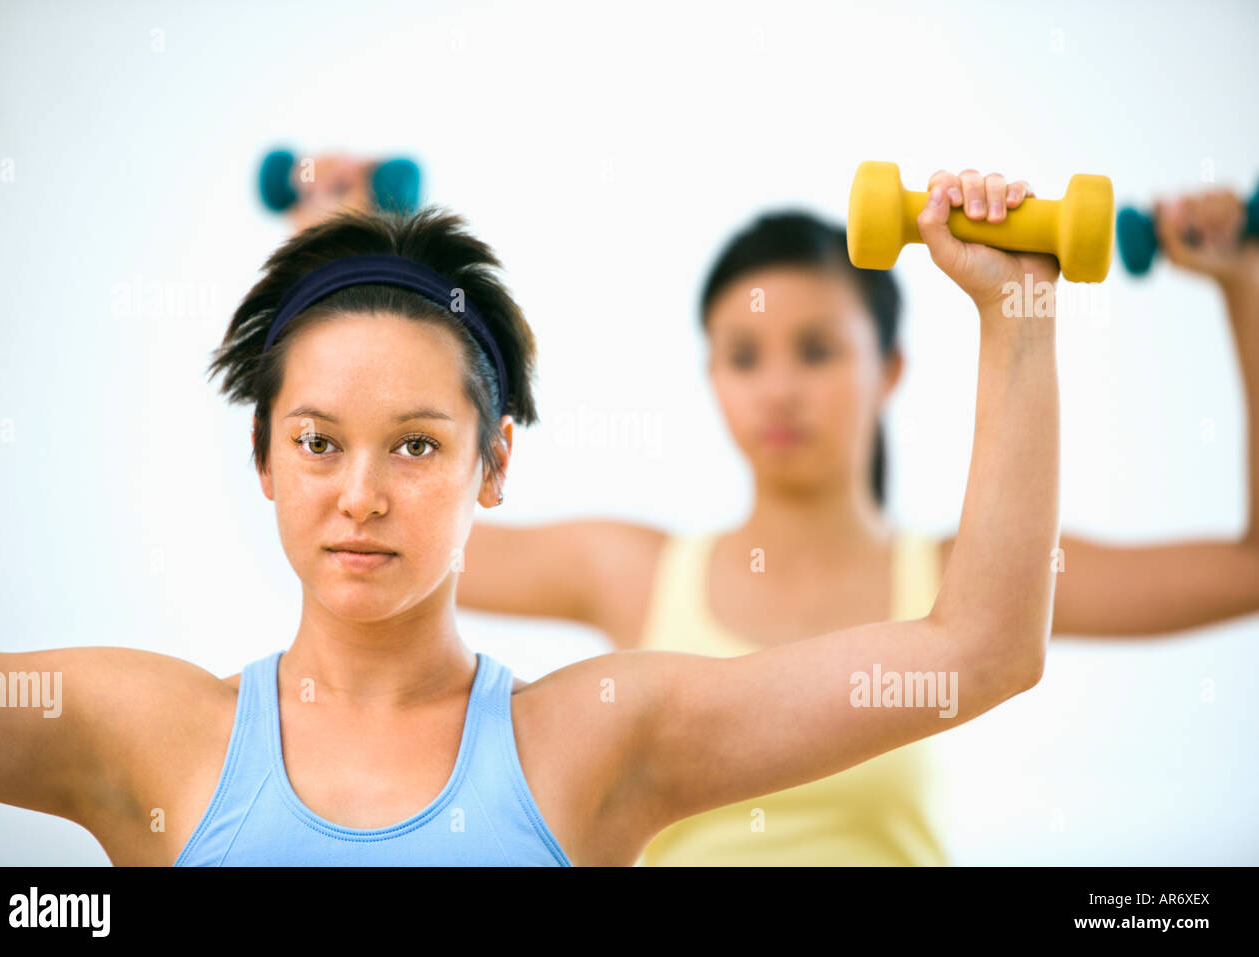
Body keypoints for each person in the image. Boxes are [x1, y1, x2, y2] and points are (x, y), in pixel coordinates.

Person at [0, 173, 1060, 865]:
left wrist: (1018, 313)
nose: (360, 493)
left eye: (417, 444)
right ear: (262, 460)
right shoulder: (147, 734)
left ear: (493, 466)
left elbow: (980, 649)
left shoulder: (597, 741)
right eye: (316, 441)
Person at [458, 171, 1259, 865]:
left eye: (815, 350)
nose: (777, 388)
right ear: (711, 376)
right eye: (743, 355)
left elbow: (1247, 570)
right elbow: (363, 537)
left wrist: (1246, 281)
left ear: (892, 368)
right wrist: (331, 252)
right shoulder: (632, 572)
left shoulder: (979, 580)